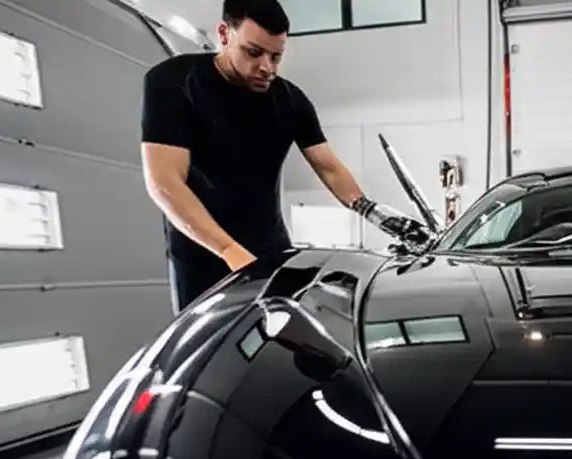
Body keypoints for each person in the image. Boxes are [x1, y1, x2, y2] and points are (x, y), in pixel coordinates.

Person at [141, 0, 425, 312]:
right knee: (209, 355)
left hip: (270, 248)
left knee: (280, 345)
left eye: (276, 56)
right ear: (224, 34)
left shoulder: (290, 101)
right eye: (253, 52)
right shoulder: (175, 82)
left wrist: (374, 212)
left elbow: (328, 168)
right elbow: (165, 181)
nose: (267, 67)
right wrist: (229, 250)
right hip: (202, 255)